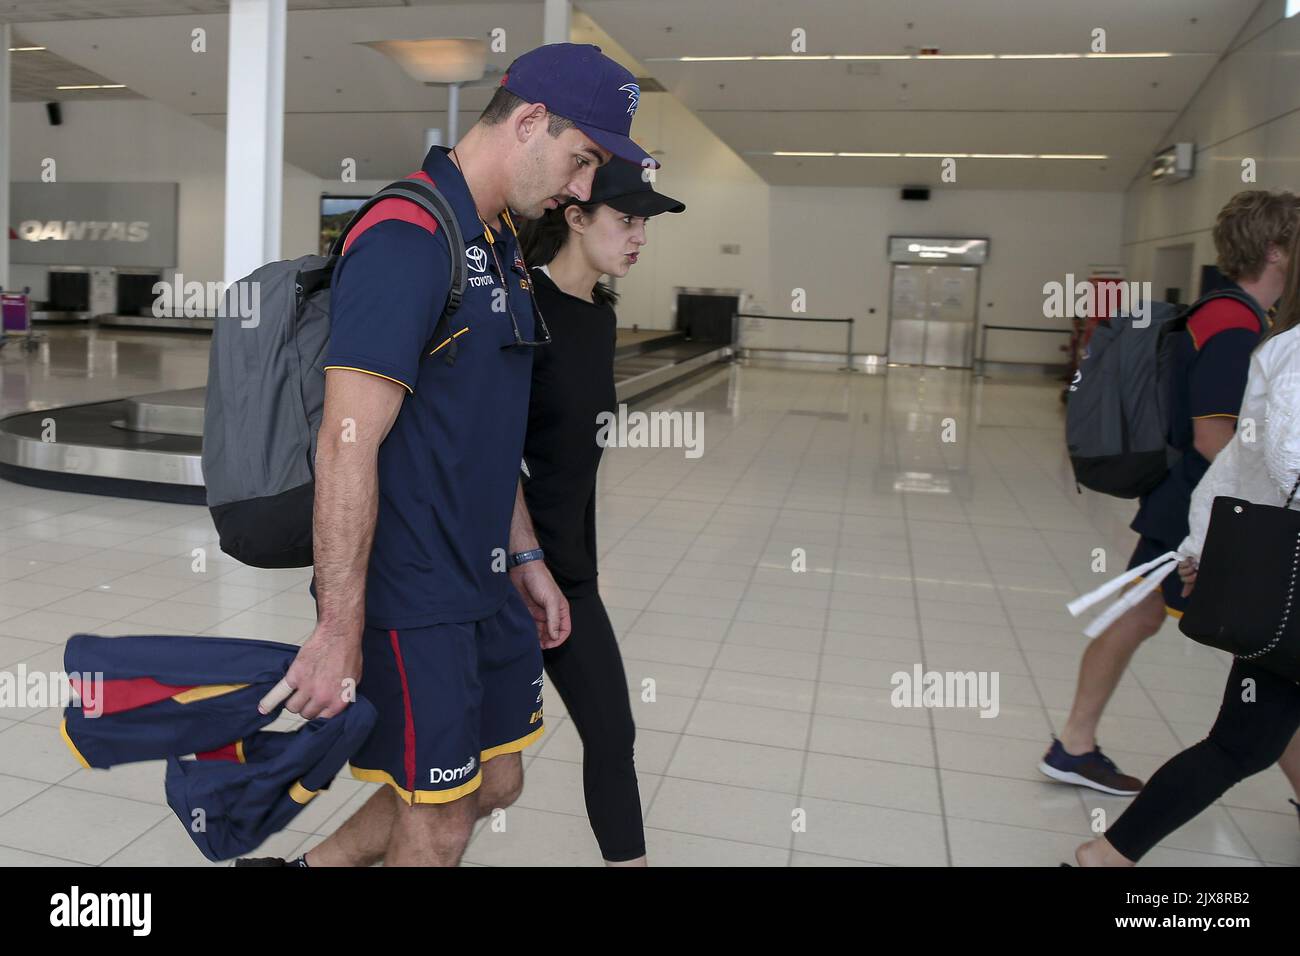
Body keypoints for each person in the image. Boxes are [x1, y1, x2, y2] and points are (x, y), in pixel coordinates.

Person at [240, 43, 659, 867]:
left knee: (495, 781)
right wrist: (337, 625)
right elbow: (346, 442)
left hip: (488, 571)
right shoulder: (406, 236)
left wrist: (530, 554)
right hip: (414, 585)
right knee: (439, 820)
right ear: (530, 122)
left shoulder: (501, 242)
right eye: (582, 161)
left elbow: (488, 430)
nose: (582, 187)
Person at [1040, 190, 1300, 796]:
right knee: (1267, 647)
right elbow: (1214, 435)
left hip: (1180, 500)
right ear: (1275, 250)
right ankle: (1074, 744)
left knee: (1155, 620)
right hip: (1200, 508)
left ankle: (1073, 743)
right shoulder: (1237, 327)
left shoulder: (1217, 311)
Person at [516, 160, 685, 866]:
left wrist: (562, 566)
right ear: (576, 217)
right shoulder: (523, 309)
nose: (639, 235)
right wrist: (524, 561)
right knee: (473, 770)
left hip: (571, 572)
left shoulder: (600, 316)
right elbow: (490, 457)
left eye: (645, 222)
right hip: (500, 574)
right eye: (626, 219)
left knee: (613, 737)